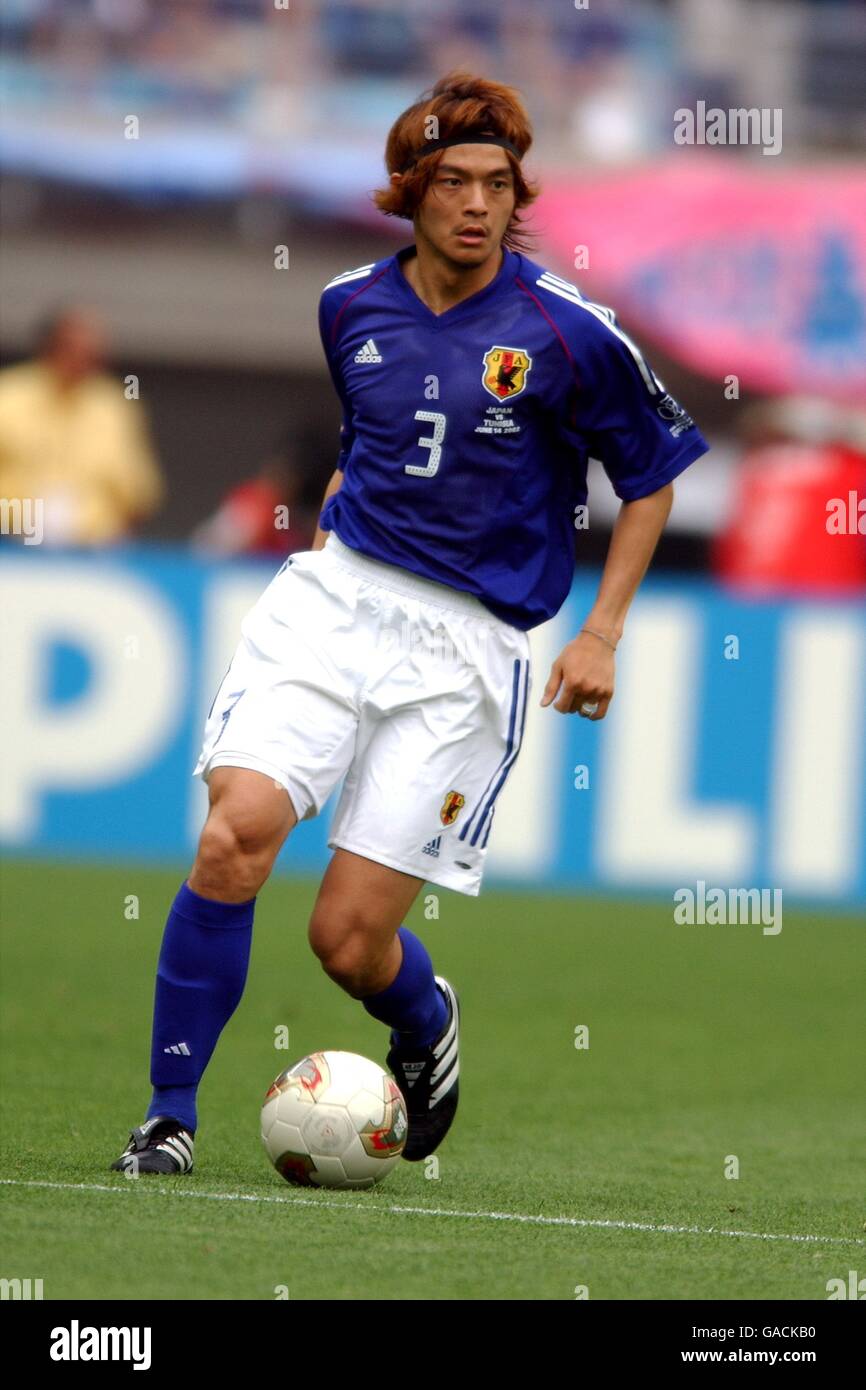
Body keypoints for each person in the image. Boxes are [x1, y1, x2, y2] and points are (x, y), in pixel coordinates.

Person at [110, 72, 709, 1177]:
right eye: (453, 182)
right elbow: (384, 432)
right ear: (410, 192)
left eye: (497, 184)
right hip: (335, 600)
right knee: (232, 835)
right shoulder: (348, 305)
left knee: (343, 939)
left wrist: (602, 631)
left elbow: (652, 477)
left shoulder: (567, 334)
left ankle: (424, 1013)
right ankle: (168, 1115)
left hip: (468, 648)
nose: (478, 203)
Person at [0, 308, 164, 547]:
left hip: (94, 550)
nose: (81, 359)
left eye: (92, 353)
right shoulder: (8, 395)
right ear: (50, 347)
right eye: (72, 349)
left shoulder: (115, 405)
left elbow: (139, 491)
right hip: (10, 543)